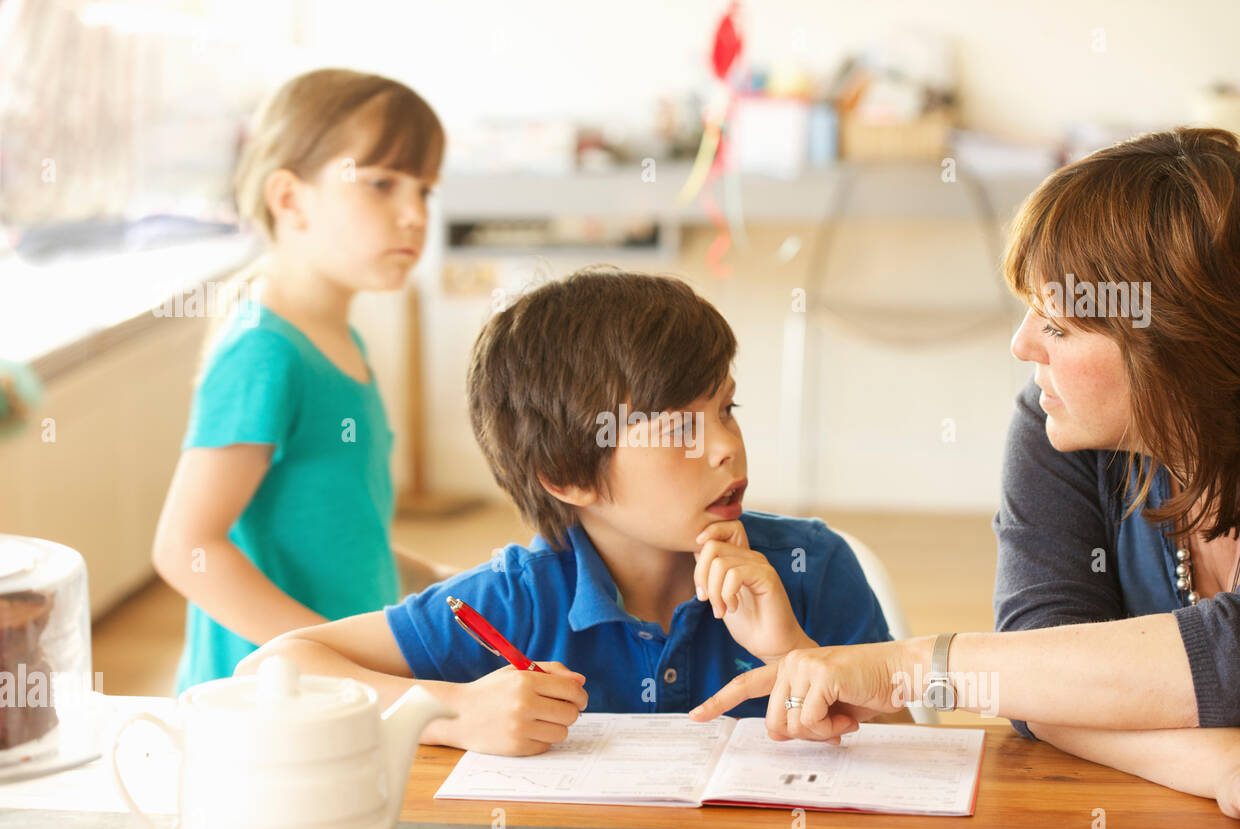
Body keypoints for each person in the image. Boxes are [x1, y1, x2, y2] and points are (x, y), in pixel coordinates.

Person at [690, 128, 1240, 829]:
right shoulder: (1058, 422)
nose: (1023, 345)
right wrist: (1221, 763)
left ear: (1179, 344)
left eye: (1060, 327)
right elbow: (1038, 680)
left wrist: (905, 668)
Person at [236, 269, 895, 755]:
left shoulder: (814, 568)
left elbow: (920, 758)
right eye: (678, 428)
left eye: (727, 409)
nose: (725, 446)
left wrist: (798, 653)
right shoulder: (516, 600)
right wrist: (455, 711)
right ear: (568, 475)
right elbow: (273, 668)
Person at [153, 69, 448, 693]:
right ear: (289, 199)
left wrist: (450, 586)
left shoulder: (342, 344)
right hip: (263, 713)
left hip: (327, 701)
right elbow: (186, 547)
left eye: (424, 190)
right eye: (382, 183)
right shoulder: (265, 355)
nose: (414, 214)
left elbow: (341, 542)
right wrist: (333, 661)